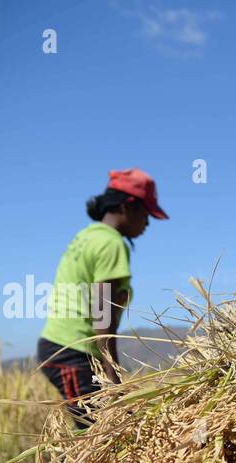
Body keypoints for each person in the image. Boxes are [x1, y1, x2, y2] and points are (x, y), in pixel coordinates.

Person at [37, 168, 168, 427]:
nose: (147, 223)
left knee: (96, 432)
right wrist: (113, 378)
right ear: (126, 207)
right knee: (98, 435)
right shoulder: (111, 244)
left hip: (64, 348)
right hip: (72, 352)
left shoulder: (88, 235)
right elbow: (102, 313)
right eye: (146, 213)